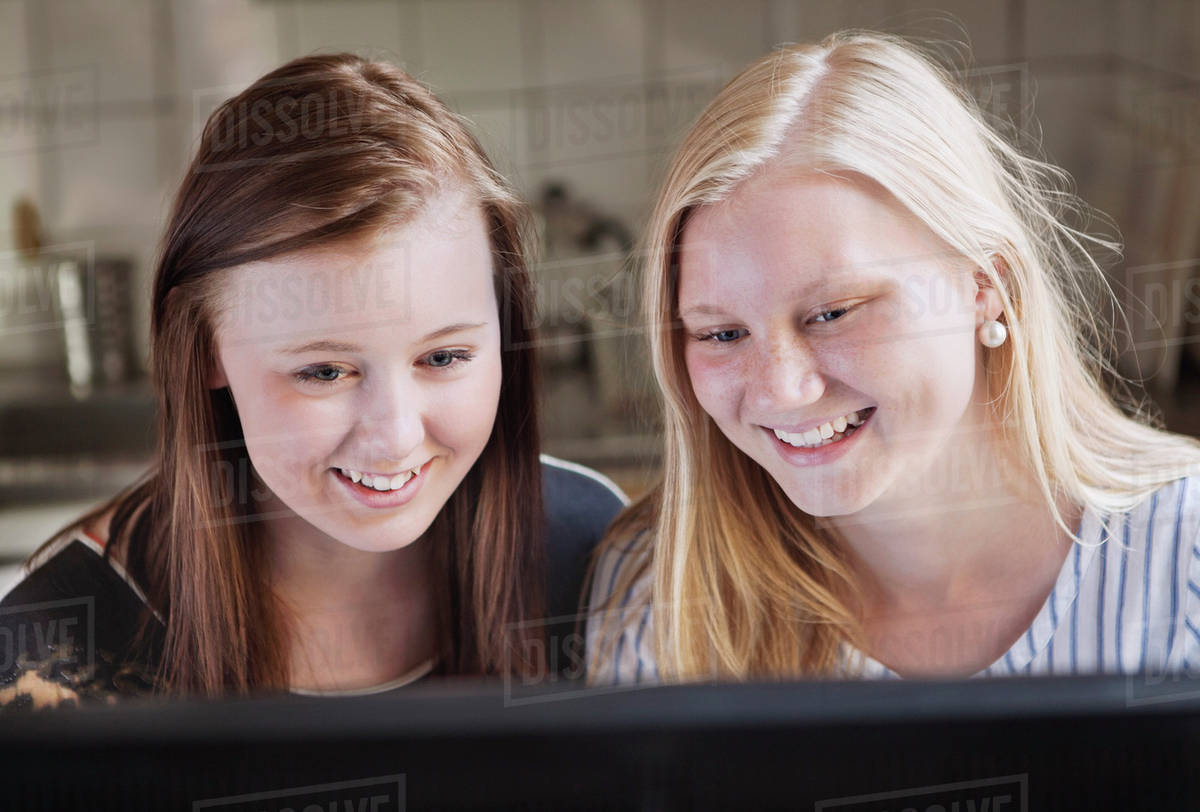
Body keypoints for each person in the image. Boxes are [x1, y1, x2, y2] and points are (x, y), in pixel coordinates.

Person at [0, 54, 625, 710]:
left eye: (443, 358)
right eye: (324, 371)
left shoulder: (595, 556)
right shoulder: (46, 660)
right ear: (205, 350)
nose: (395, 437)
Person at [587, 31, 1200, 685]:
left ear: (982, 286)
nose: (784, 390)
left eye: (833, 313)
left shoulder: (1184, 555)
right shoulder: (656, 600)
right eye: (722, 335)